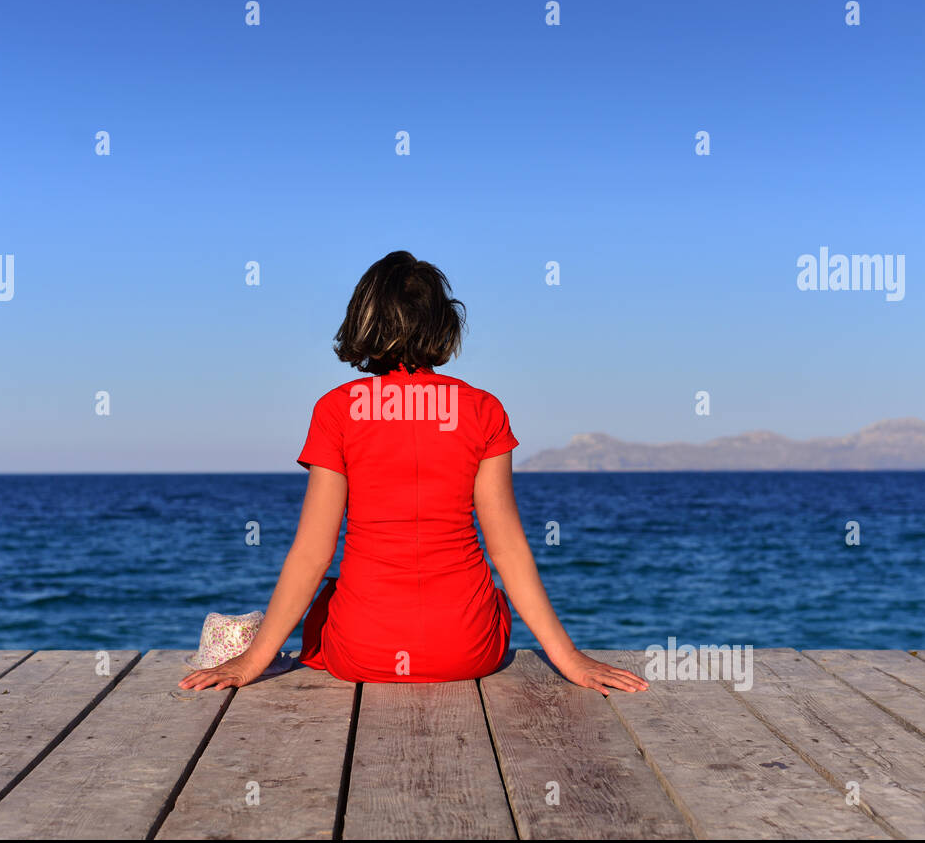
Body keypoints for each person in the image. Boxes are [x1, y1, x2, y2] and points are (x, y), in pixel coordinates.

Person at [179, 251, 648, 696]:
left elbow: (313, 553)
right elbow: (507, 548)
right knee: (493, 600)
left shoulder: (337, 411)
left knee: (328, 598)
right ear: (443, 327)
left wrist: (250, 662)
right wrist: (568, 658)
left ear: (364, 322)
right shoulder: (483, 410)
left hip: (363, 654)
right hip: (467, 652)